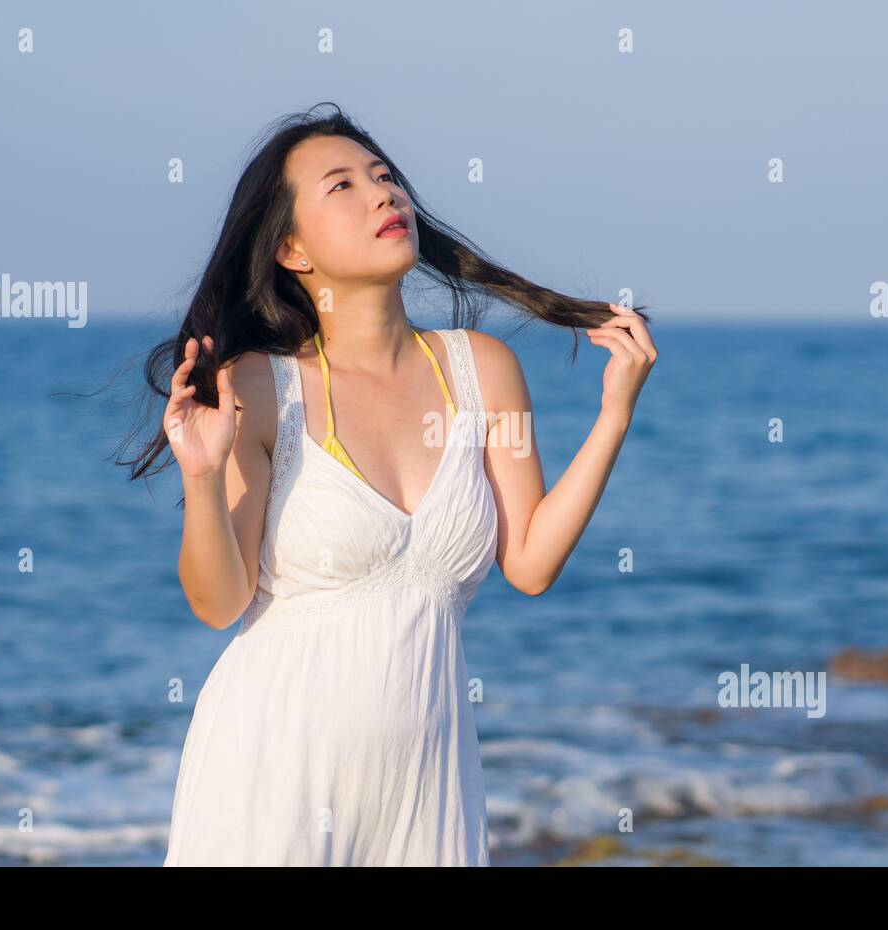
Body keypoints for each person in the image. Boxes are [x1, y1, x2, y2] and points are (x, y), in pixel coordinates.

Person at [119, 103, 656, 865]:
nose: (383, 195)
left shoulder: (483, 372)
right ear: (293, 250)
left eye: (384, 177)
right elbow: (219, 603)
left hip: (426, 789)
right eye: (342, 185)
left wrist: (614, 414)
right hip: (272, 777)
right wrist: (203, 477)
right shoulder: (260, 388)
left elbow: (531, 563)